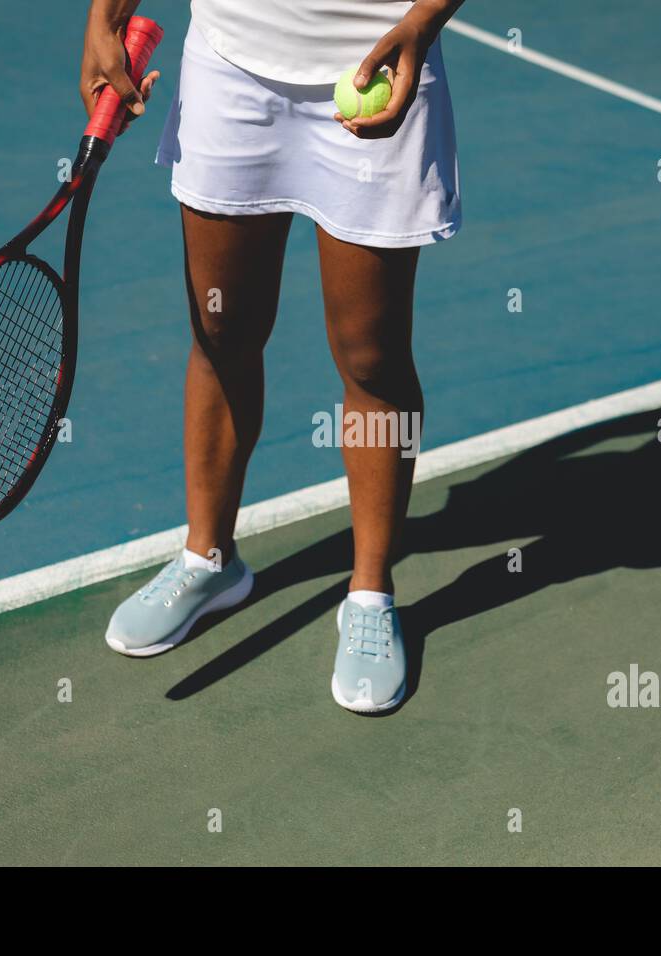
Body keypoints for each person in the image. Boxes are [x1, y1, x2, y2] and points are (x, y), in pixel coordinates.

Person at [84, 0, 464, 712]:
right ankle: (209, 560)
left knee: (371, 358)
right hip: (231, 64)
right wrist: (107, 16)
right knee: (222, 331)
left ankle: (372, 595)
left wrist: (424, 23)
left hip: (377, 60)